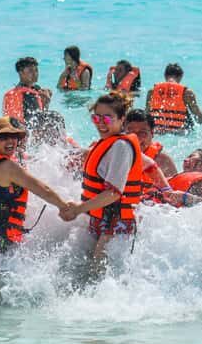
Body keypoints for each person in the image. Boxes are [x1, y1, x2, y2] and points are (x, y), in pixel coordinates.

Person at [0, 117, 78, 277]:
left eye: (14, 136)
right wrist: (63, 206)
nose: (10, 141)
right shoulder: (6, 166)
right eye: (3, 137)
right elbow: (42, 189)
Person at [68, 92, 173, 270]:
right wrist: (167, 190)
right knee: (91, 270)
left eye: (107, 118)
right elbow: (149, 165)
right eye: (97, 118)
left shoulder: (121, 146)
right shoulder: (110, 142)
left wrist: (78, 209)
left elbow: (113, 193)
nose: (101, 123)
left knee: (97, 274)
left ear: (121, 119)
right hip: (101, 217)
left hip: (115, 221)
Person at [124, 109, 178, 199]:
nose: (136, 138)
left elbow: (173, 196)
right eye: (131, 133)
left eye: (143, 133)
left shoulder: (163, 161)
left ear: (152, 134)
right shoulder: (114, 156)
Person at [146, 63, 202, 134]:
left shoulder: (152, 91)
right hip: (180, 132)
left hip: (157, 131)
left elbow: (146, 114)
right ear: (181, 76)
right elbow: (200, 120)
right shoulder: (186, 93)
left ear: (165, 75)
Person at [3, 56, 52, 127]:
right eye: (30, 71)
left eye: (36, 70)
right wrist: (46, 102)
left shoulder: (36, 89)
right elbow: (37, 123)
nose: (35, 73)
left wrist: (46, 102)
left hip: (18, 130)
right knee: (55, 116)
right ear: (20, 73)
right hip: (24, 132)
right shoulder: (27, 94)